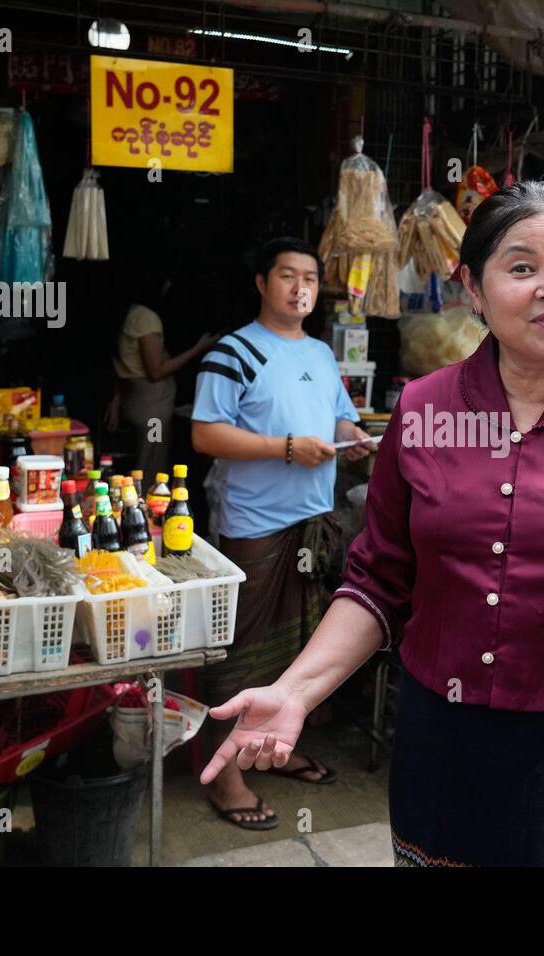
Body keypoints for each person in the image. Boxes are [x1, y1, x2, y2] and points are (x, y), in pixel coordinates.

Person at [200, 182, 544, 865]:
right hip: (442, 741)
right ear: (473, 289)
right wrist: (296, 689)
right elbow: (378, 581)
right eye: (521, 267)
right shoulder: (422, 411)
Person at [192, 237, 375, 829]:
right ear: (262, 283)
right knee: (240, 650)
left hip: (310, 523)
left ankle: (275, 746)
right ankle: (225, 774)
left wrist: (357, 437)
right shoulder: (234, 351)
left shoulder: (322, 354)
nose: (300, 289)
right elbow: (206, 434)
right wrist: (287, 448)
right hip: (253, 525)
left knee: (296, 647)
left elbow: (338, 415)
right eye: (288, 276)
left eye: (311, 280)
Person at [108, 270, 218, 479]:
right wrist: (198, 348)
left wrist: (117, 397)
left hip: (136, 403)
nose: (168, 289)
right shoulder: (146, 319)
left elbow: (118, 362)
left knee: (149, 459)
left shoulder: (127, 314)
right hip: (153, 415)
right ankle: (148, 508)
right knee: (153, 462)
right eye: (164, 284)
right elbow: (156, 371)